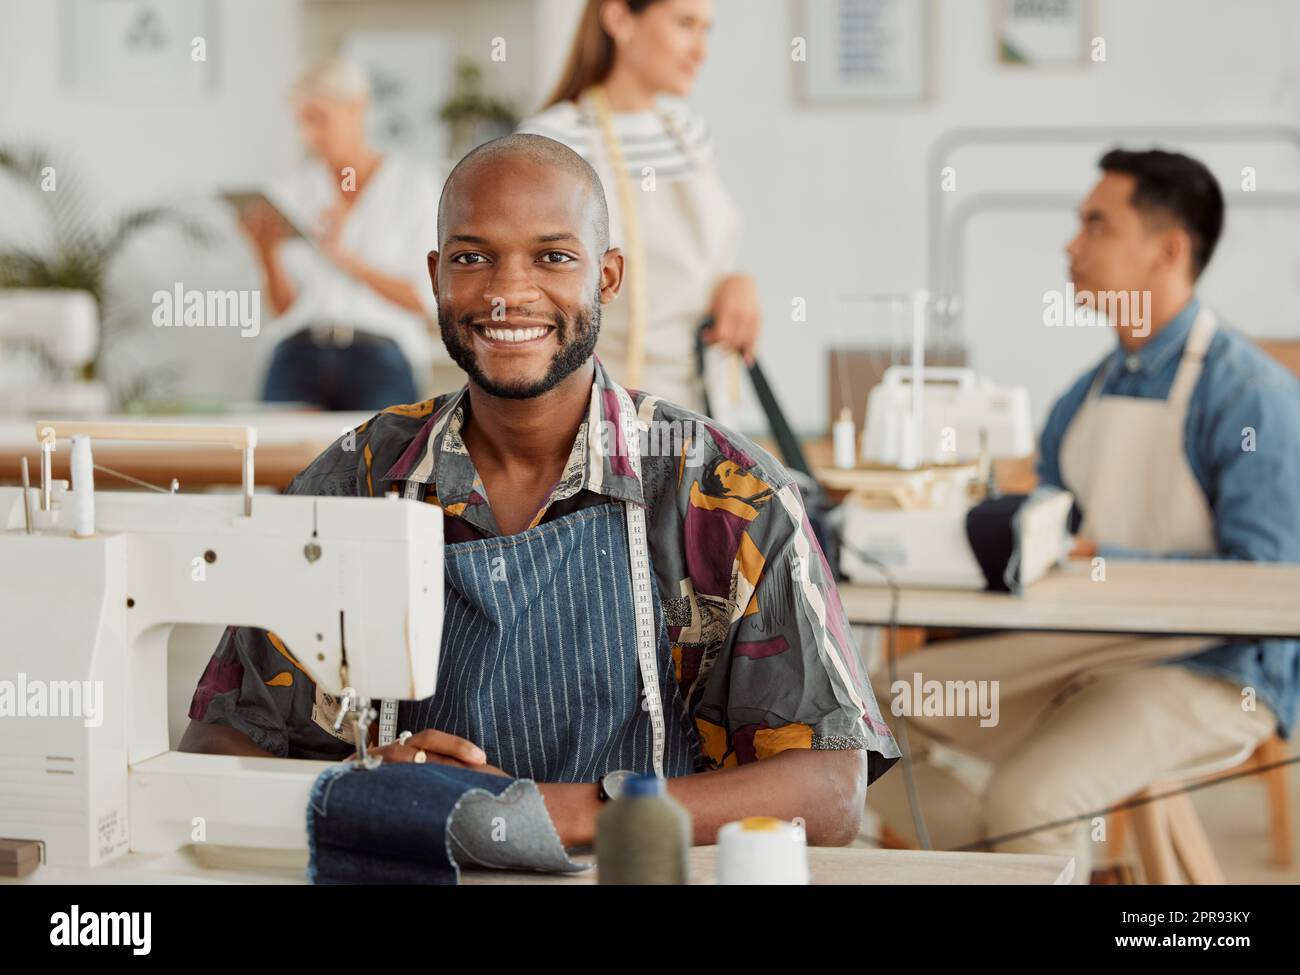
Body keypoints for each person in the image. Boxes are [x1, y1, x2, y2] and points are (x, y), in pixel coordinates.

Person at [181, 133, 900, 848]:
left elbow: (828, 791)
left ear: (607, 277)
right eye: (472, 257)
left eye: (553, 256)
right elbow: (217, 744)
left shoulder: (722, 491)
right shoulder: (354, 481)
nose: (507, 292)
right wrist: (363, 789)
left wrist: (552, 812)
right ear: (435, 275)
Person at [867, 148, 1300, 882]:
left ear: (1168, 249)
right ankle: (1028, 857)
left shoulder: (1248, 394)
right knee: (862, 715)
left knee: (1037, 796)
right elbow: (1051, 541)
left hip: (1215, 670)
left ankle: (1025, 842)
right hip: (1078, 646)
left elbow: (1271, 583)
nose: (1072, 244)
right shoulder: (1082, 397)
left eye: (1096, 224)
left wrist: (1103, 560)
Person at [517, 0, 759, 414]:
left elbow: (701, 262)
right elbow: (530, 284)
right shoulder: (552, 141)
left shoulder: (688, 132)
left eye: (706, 29)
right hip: (599, 411)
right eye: (685, 24)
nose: (701, 50)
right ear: (619, 18)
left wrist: (735, 283)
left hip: (703, 404)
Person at [240, 55, 459, 411]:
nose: (309, 135)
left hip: (380, 354)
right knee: (276, 455)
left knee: (379, 459)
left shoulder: (413, 187)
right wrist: (263, 251)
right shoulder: (289, 192)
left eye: (319, 119)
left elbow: (424, 299)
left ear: (357, 107)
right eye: (301, 122)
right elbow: (283, 309)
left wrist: (346, 260)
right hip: (298, 350)